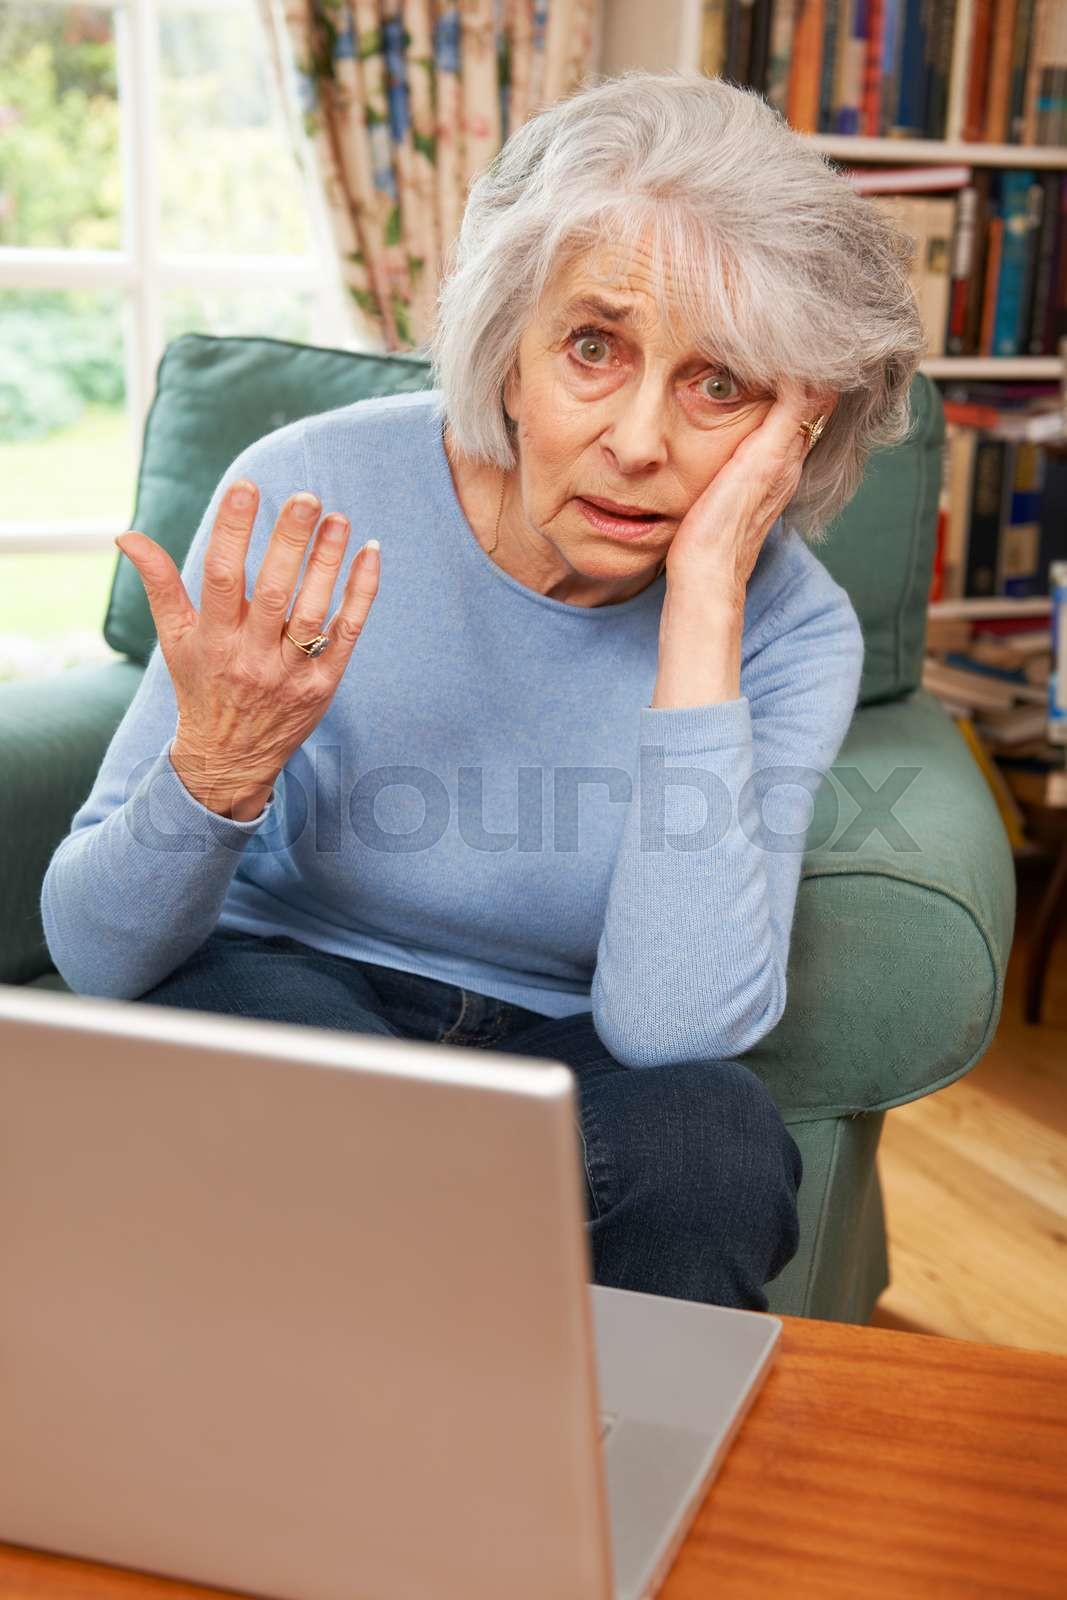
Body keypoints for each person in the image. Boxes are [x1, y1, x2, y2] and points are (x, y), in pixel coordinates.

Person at [40, 69, 925, 1312]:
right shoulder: (310, 489)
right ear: (508, 353)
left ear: (798, 429)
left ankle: (581, 1429)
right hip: (291, 980)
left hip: (564, 1046)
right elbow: (95, 952)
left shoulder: (789, 627)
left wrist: (703, 604)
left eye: (718, 385)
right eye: (592, 348)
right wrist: (220, 766)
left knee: (712, 1149)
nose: (637, 443)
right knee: (316, 1089)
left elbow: (670, 1030)